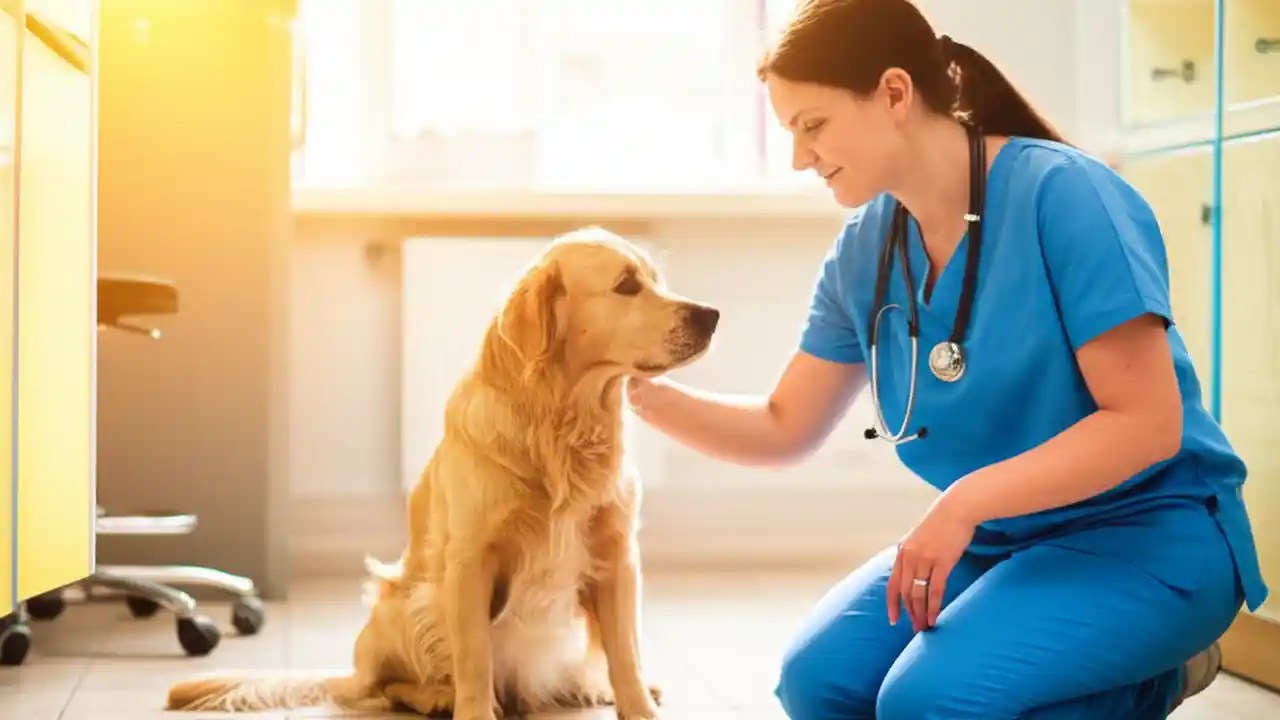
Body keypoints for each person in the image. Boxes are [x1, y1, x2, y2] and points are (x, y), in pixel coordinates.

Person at [625, 0, 1270, 718]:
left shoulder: (1065, 194)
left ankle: (1163, 675)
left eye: (813, 126)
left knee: (927, 702)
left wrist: (965, 501)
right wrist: (632, 391)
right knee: (821, 685)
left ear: (894, 93)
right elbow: (784, 426)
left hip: (1148, 533)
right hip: (1004, 540)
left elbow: (1147, 425)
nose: (799, 158)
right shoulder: (866, 251)